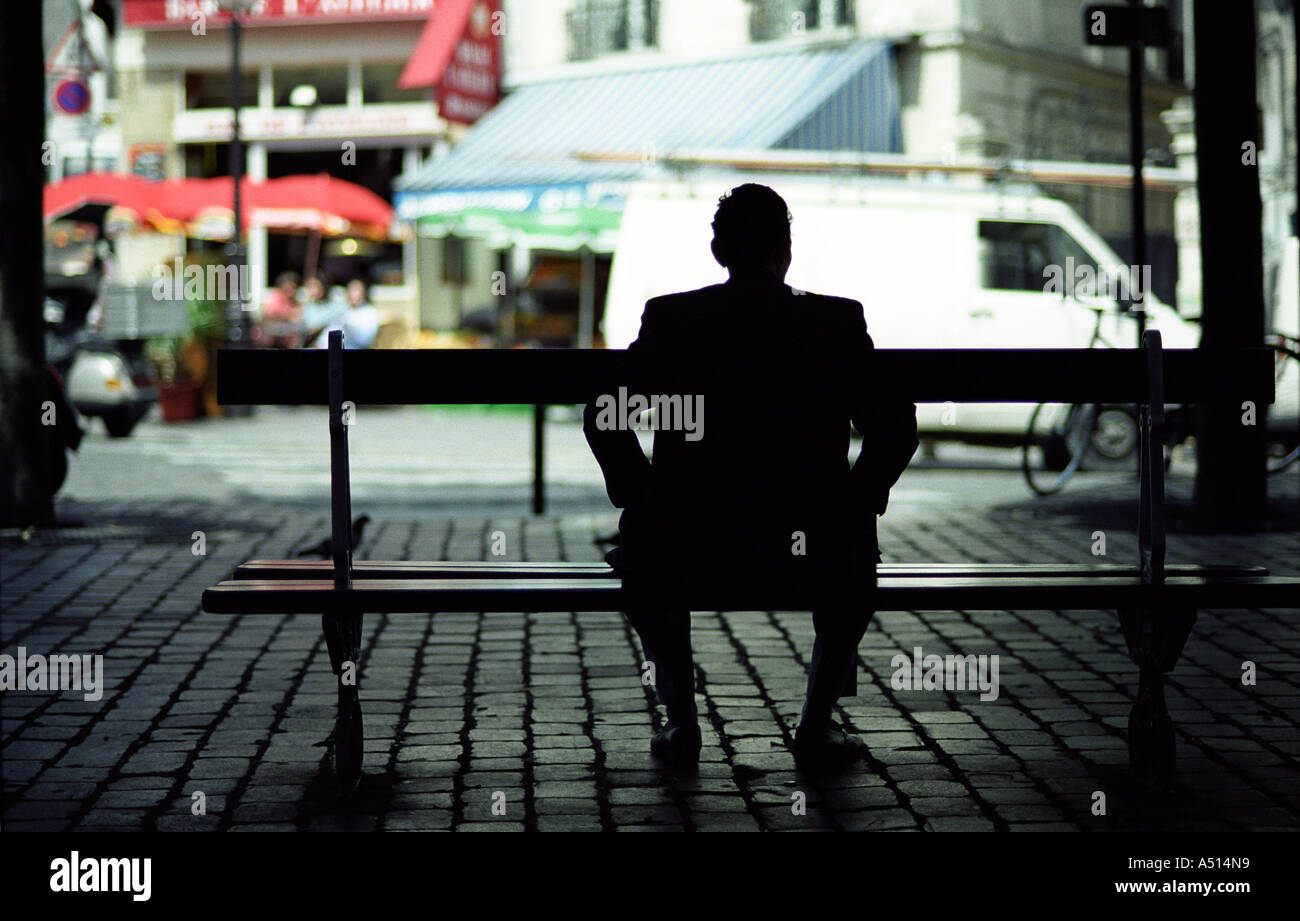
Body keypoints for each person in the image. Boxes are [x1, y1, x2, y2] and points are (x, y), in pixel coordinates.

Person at [583, 184, 918, 766]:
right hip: (816, 546)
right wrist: (857, 502)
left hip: (689, 540)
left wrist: (641, 495)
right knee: (853, 570)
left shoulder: (674, 319)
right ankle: (815, 723)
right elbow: (895, 425)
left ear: (718, 250)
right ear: (785, 249)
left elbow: (604, 414)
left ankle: (682, 722)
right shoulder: (835, 322)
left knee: (646, 564)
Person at [311, 278, 380, 349]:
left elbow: (365, 341)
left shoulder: (369, 313)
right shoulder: (344, 310)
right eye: (350, 290)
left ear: (363, 292)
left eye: (355, 290)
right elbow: (330, 329)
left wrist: (349, 326)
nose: (351, 293)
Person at [260, 271, 303, 348]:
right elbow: (268, 316)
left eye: (293, 288)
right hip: (274, 335)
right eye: (288, 288)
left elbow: (298, 318)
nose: (290, 291)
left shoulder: (295, 302)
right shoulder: (275, 297)